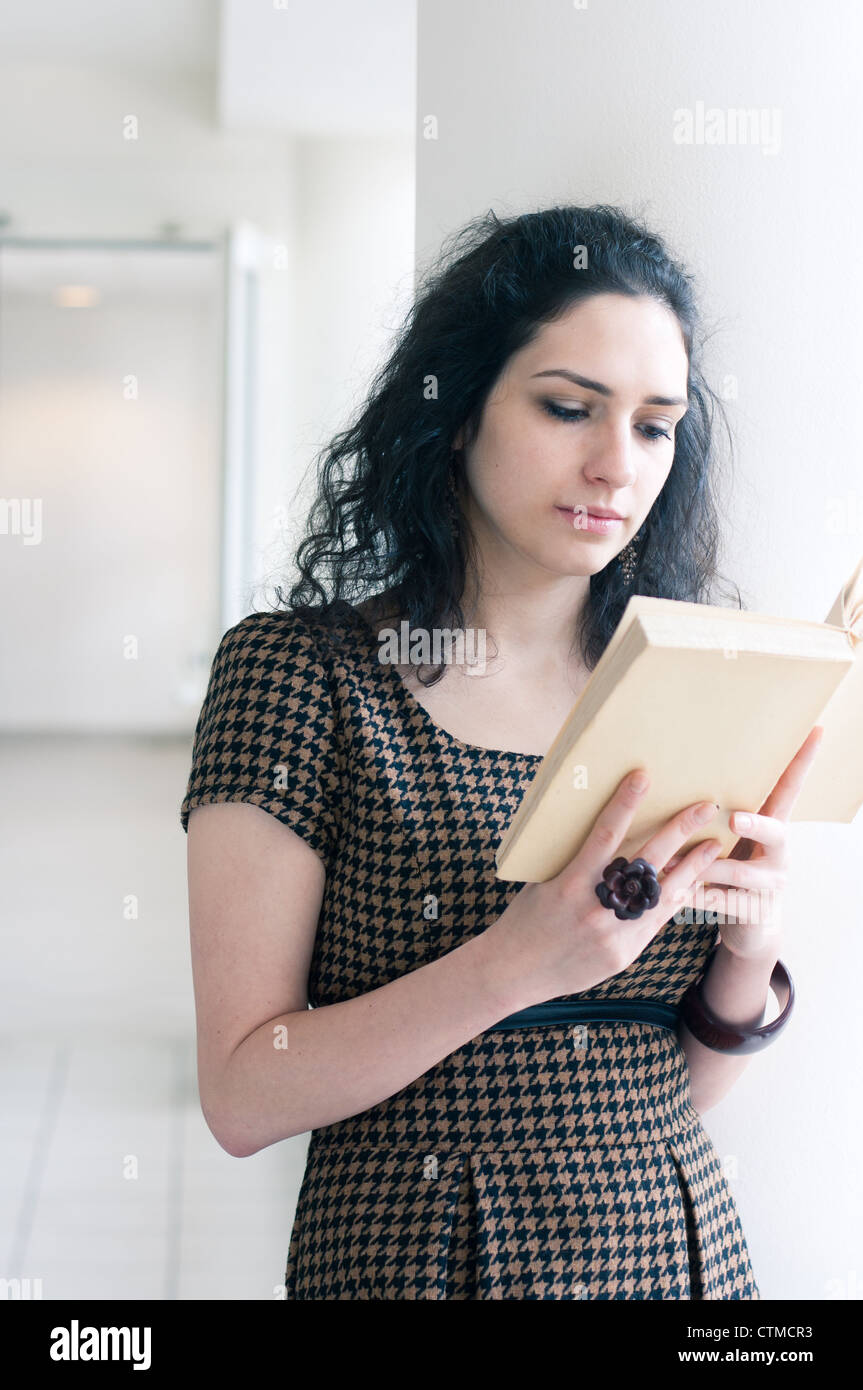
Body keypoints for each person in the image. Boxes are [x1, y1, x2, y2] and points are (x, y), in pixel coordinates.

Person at [180, 204, 822, 1300]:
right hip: (417, 1258)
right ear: (458, 412)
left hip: (676, 1253)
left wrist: (744, 954)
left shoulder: (679, 677)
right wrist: (513, 964)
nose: (614, 465)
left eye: (654, 425)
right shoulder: (301, 678)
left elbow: (664, 1084)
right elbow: (244, 1095)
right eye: (568, 407)